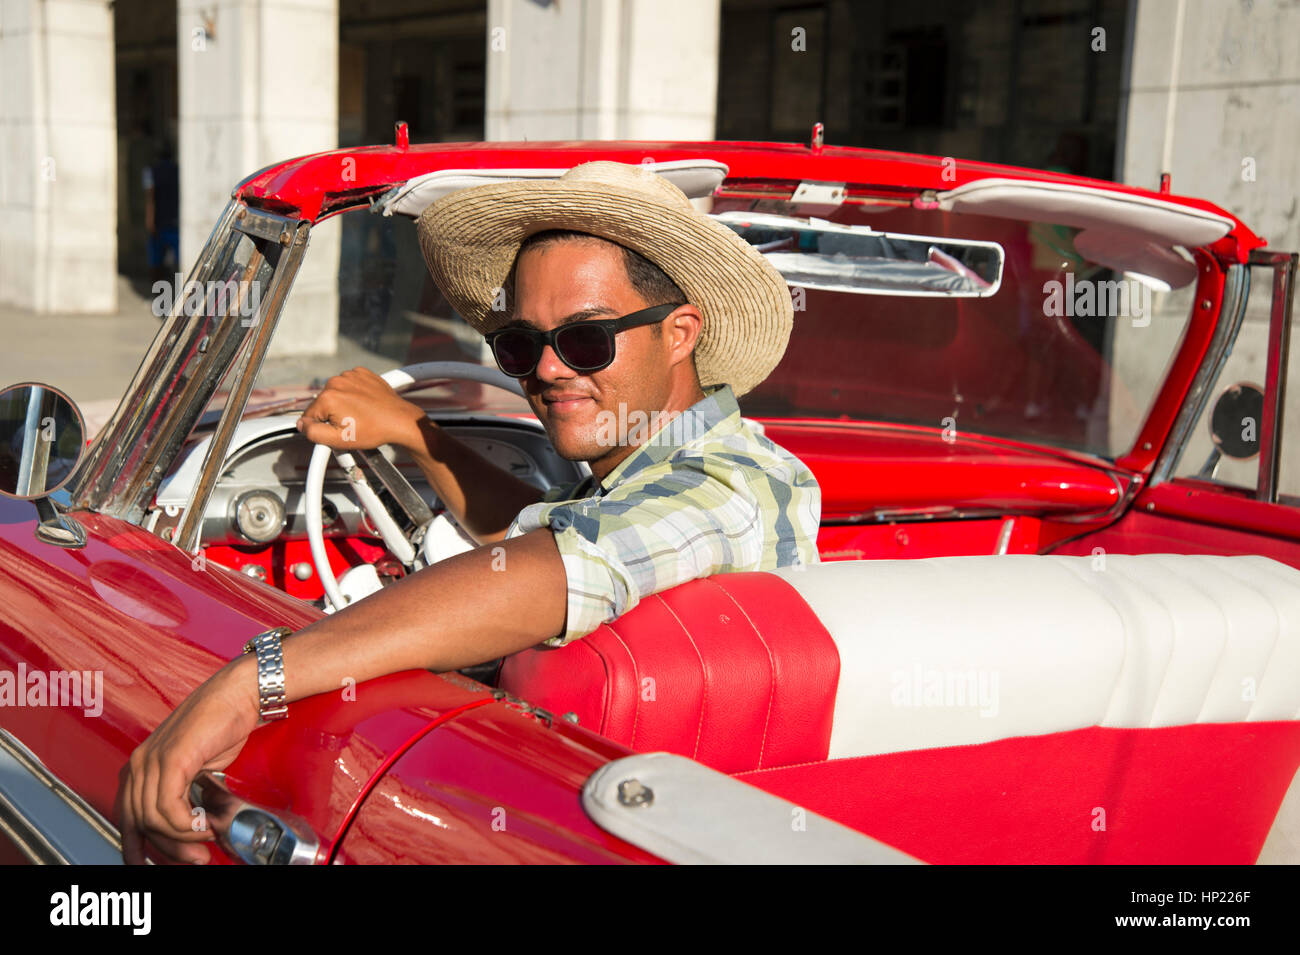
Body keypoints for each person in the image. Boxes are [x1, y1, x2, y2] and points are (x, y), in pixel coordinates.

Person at [116, 161, 821, 864]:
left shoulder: (735, 484)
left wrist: (252, 680)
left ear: (679, 333)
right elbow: (548, 532)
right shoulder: (649, 480)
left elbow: (562, 567)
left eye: (585, 340)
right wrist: (412, 431)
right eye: (518, 345)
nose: (546, 370)